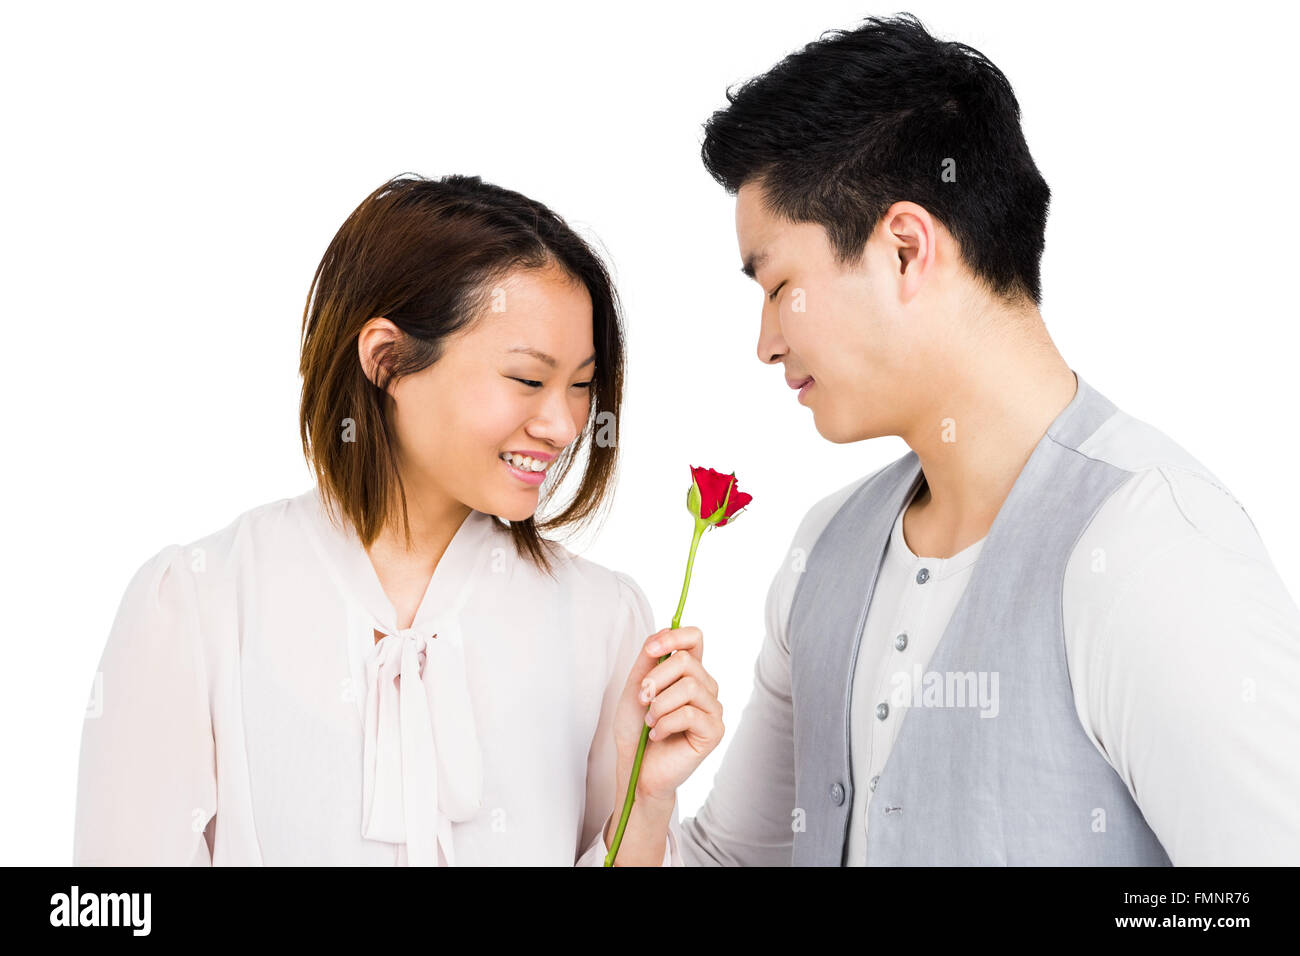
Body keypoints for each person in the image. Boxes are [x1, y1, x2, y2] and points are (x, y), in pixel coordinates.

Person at [674, 13, 1300, 865]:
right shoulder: (824, 550)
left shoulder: (1152, 547)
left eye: (781, 284)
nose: (766, 341)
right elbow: (731, 861)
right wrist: (641, 793)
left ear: (904, 248)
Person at [72, 173, 723, 866]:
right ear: (386, 359)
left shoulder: (604, 620)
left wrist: (646, 806)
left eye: (583, 385)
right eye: (529, 380)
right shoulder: (198, 604)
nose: (565, 424)